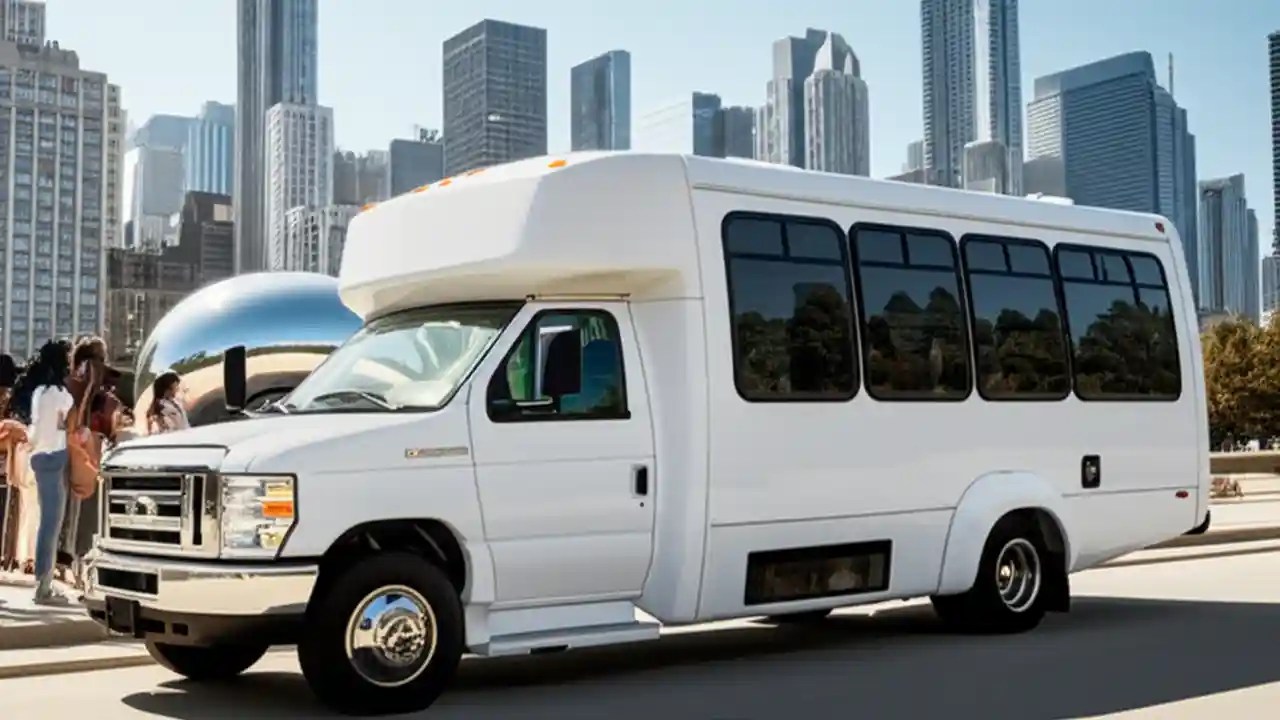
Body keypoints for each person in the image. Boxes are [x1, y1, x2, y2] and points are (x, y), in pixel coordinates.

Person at [14, 340, 73, 605]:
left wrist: (32, 441)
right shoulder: (61, 395)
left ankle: (44, 581)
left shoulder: (39, 393)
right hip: (55, 457)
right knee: (52, 522)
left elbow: (36, 429)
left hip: (38, 455)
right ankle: (43, 585)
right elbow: (64, 423)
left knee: (46, 522)